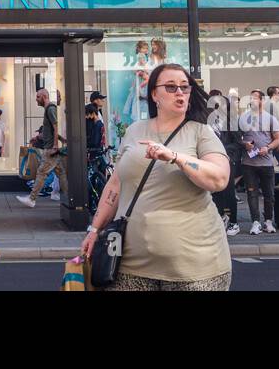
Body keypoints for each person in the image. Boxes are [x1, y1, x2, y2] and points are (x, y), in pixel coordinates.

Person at [78, 63, 233, 291]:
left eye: (184, 87)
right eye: (170, 87)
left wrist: (175, 157)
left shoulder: (201, 132)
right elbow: (116, 184)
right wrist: (94, 230)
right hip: (129, 266)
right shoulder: (134, 131)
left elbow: (219, 179)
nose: (179, 92)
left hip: (195, 268)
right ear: (154, 94)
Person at [239, 89, 279, 234]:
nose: (252, 100)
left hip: (266, 162)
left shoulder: (270, 118)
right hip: (249, 163)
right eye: (250, 98)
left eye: (255, 98)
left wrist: (268, 148)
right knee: (252, 193)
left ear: (262, 101)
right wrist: (245, 144)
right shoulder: (243, 118)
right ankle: (255, 222)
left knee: (269, 194)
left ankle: (268, 221)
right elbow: (238, 138)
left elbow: (278, 139)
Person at [16, 87, 65, 209]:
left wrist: (54, 145)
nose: (36, 99)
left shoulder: (50, 108)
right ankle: (72, 196)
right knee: (62, 174)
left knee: (41, 172)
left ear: (44, 97)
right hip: (51, 147)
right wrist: (39, 137)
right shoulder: (48, 109)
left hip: (50, 149)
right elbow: (51, 129)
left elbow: (55, 126)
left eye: (38, 97)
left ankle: (32, 199)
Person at [207, 94, 242, 236]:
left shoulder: (231, 121)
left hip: (228, 159)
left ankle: (234, 222)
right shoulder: (209, 121)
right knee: (216, 190)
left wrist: (225, 152)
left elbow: (238, 142)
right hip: (214, 160)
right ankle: (221, 216)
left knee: (228, 191)